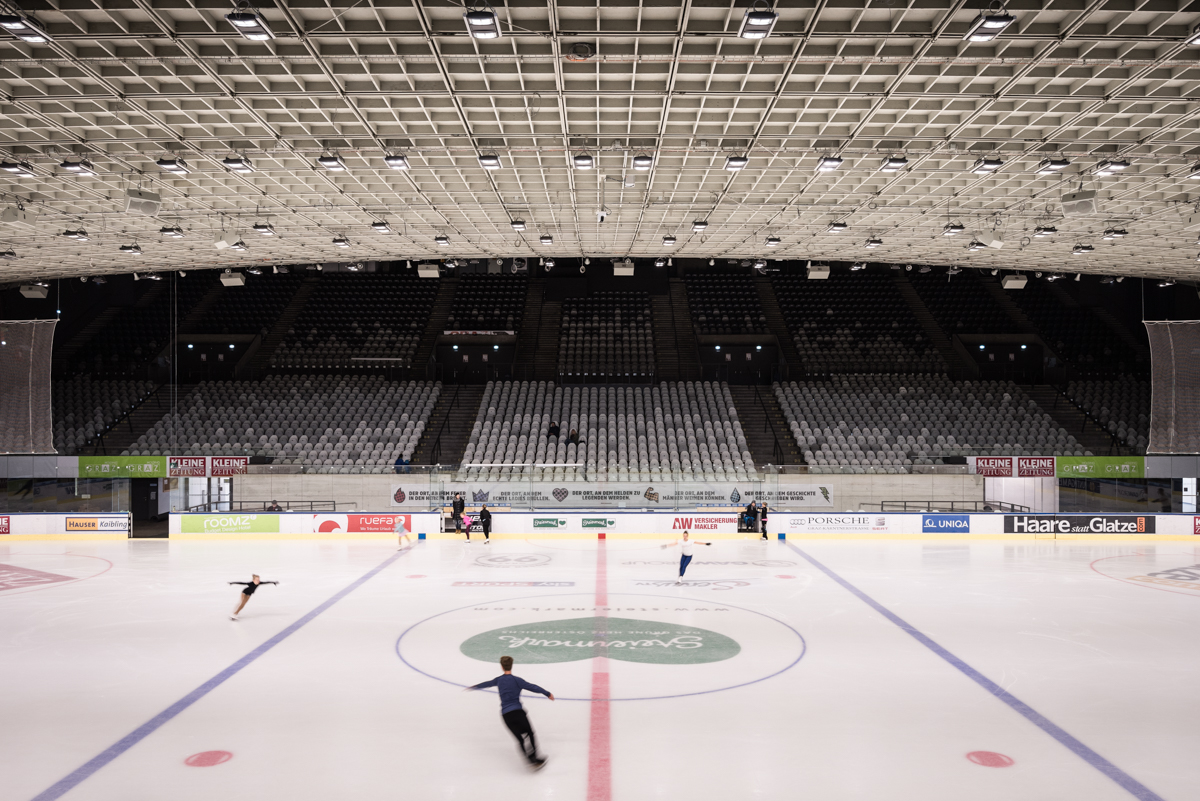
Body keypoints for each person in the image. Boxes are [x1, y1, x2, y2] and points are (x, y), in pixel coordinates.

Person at [466, 655, 553, 770]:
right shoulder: (517, 680)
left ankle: (530, 762)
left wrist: (475, 686)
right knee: (530, 733)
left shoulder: (498, 680)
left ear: (502, 667)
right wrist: (547, 693)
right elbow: (533, 687)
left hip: (506, 715)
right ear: (511, 666)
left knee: (520, 739)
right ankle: (534, 757)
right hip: (518, 712)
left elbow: (487, 683)